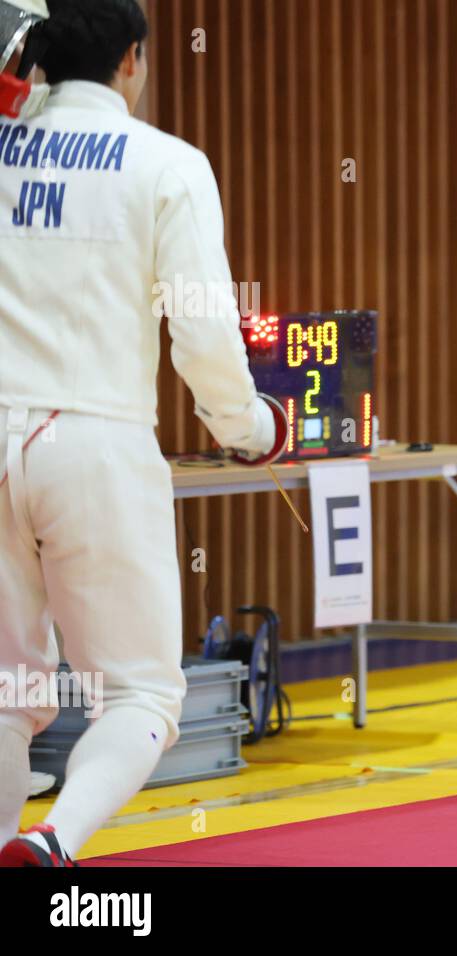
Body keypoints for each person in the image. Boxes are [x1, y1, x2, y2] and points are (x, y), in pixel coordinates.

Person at [0, 0, 285, 866]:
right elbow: (201, 330)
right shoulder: (168, 164)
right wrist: (248, 428)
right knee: (141, 698)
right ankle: (55, 834)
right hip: (95, 445)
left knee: (8, 694)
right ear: (133, 58)